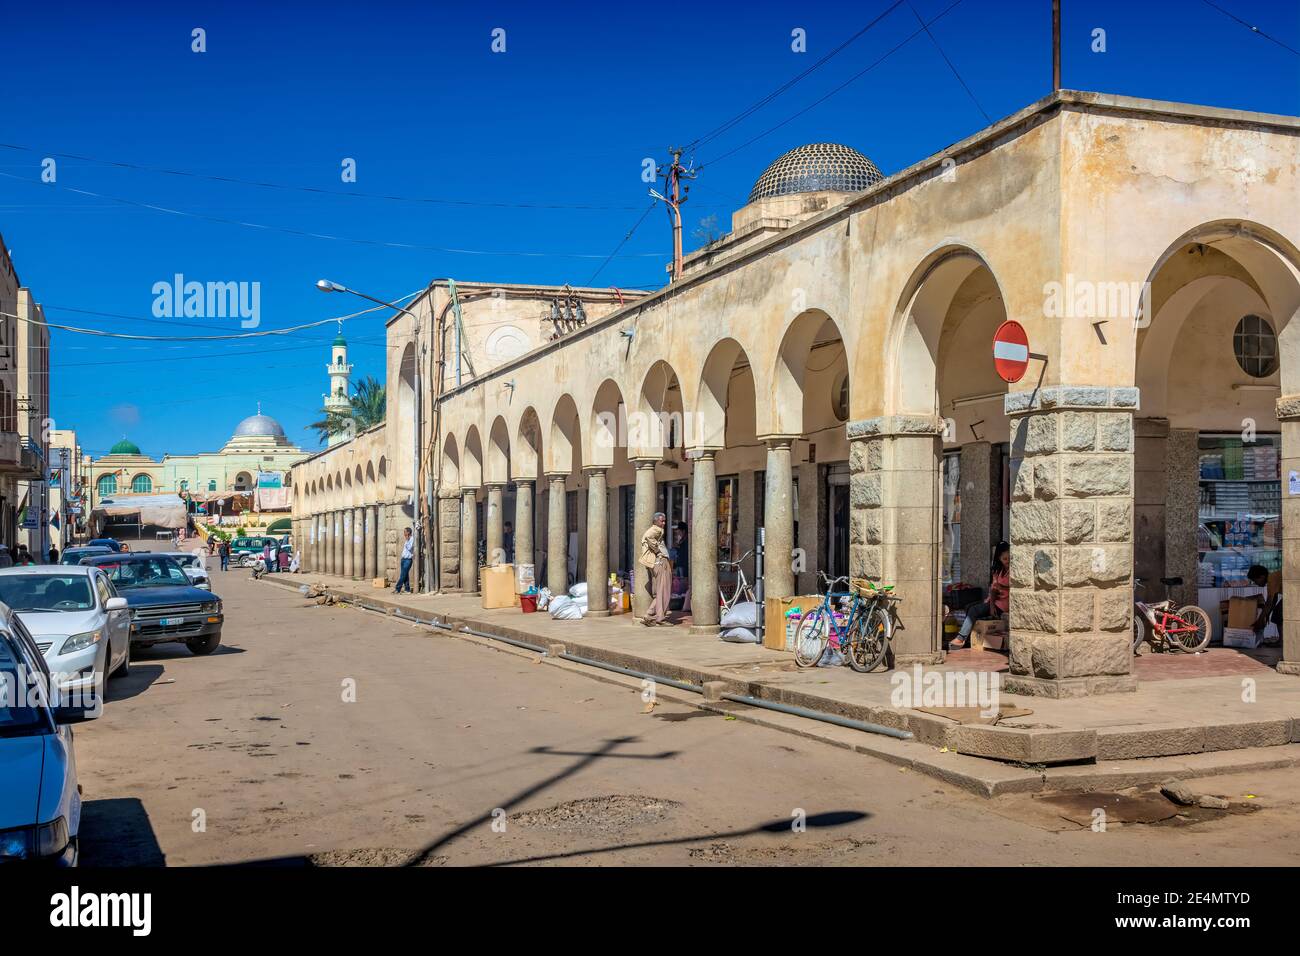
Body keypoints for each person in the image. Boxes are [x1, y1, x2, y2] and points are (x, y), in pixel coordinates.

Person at [951, 541, 1010, 650]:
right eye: (1004, 559)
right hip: (994, 601)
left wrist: (1001, 588)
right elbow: (993, 589)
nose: (1007, 561)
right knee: (969, 607)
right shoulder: (998, 570)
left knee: (974, 611)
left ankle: (961, 638)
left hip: (1003, 603)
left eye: (1009, 558)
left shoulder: (1013, 570)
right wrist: (991, 605)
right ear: (999, 559)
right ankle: (970, 638)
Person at [638, 511, 673, 626]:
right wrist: (658, 551)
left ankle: (649, 614)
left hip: (658, 563)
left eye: (664, 521)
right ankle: (660, 619)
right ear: (655, 521)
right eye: (661, 520)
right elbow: (648, 537)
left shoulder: (657, 530)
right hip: (661, 562)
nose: (664, 523)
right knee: (664, 591)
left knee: (661, 591)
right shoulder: (656, 529)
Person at [1247, 564, 1283, 645]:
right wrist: (1267, 615)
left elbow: (1269, 603)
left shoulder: (1271, 579)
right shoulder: (1273, 578)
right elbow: (1274, 599)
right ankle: (1281, 640)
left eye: (1255, 581)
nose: (1256, 583)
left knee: (1278, 614)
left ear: (1262, 577)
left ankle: (1281, 641)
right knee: (1278, 614)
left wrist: (1260, 620)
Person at [395, 527, 414, 594]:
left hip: (408, 560)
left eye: (405, 532)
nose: (404, 533)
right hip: (403, 559)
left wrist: (407, 539)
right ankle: (407, 589)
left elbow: (410, 547)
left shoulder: (412, 539)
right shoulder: (407, 540)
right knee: (405, 575)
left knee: (402, 575)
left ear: (408, 532)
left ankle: (397, 588)